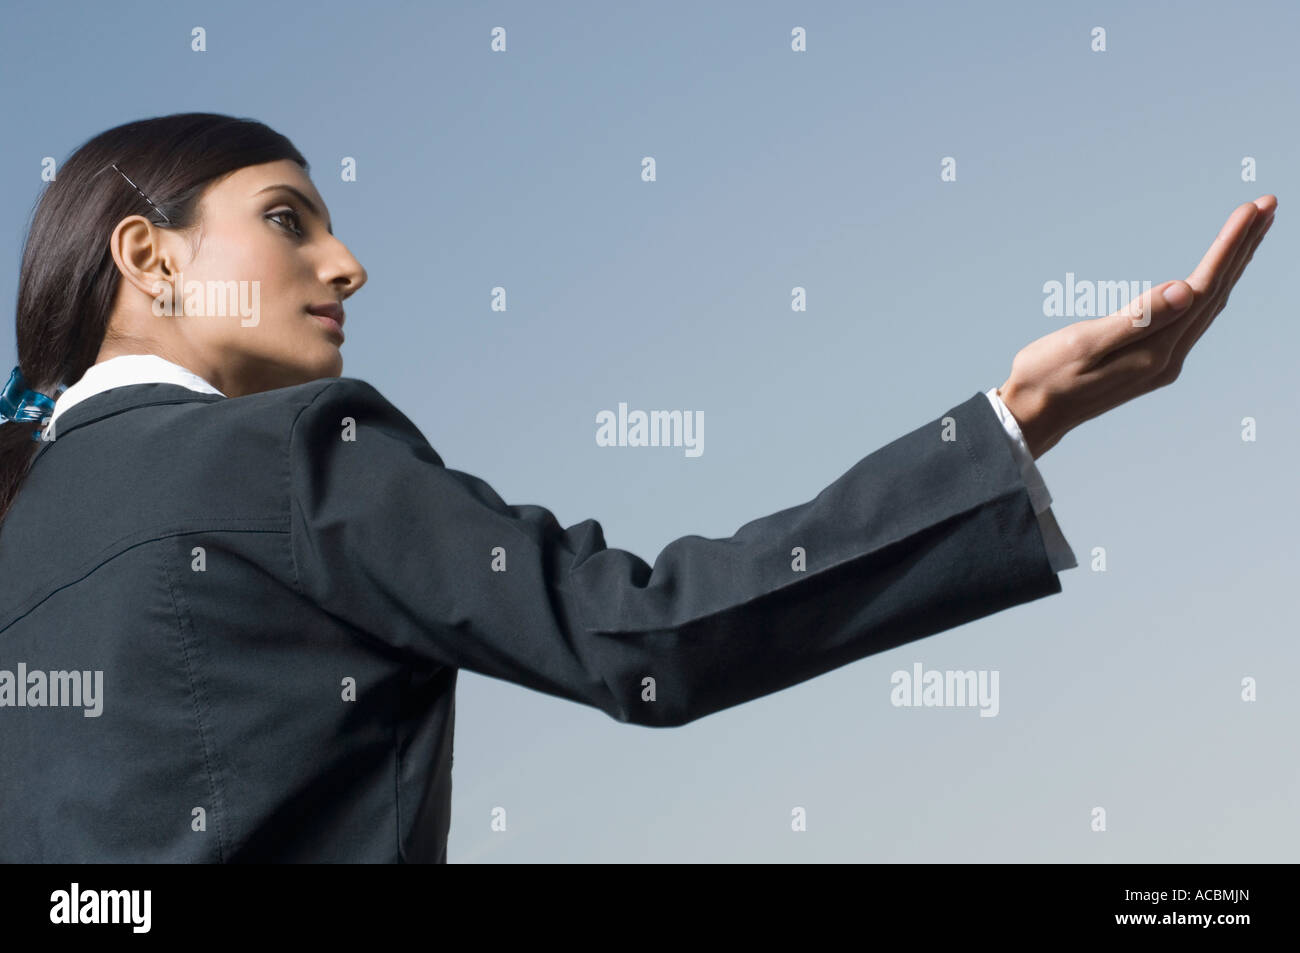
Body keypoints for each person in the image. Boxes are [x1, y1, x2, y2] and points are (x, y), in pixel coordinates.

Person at [0, 113, 1276, 862]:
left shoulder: (22, 521)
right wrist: (1023, 420)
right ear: (146, 255)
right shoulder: (281, 450)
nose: (347, 262)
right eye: (288, 218)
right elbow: (648, 635)